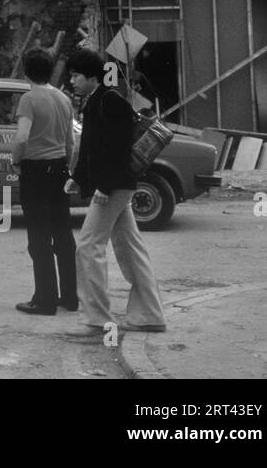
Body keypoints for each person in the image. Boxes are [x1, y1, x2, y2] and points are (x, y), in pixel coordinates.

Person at [65, 49, 167, 333]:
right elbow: (92, 148)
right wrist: (79, 178)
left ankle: (98, 317)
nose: (72, 80)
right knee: (130, 249)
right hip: (116, 184)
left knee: (88, 246)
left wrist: (104, 187)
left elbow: (117, 149)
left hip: (114, 186)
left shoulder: (109, 102)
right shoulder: (99, 100)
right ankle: (149, 315)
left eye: (75, 75)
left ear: (91, 77)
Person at [11, 49, 77, 315]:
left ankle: (45, 300)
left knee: (38, 236)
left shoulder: (28, 99)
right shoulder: (63, 98)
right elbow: (71, 141)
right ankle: (70, 297)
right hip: (60, 167)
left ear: (26, 71)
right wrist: (67, 166)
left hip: (36, 170)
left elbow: (22, 137)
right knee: (63, 234)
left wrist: (16, 161)